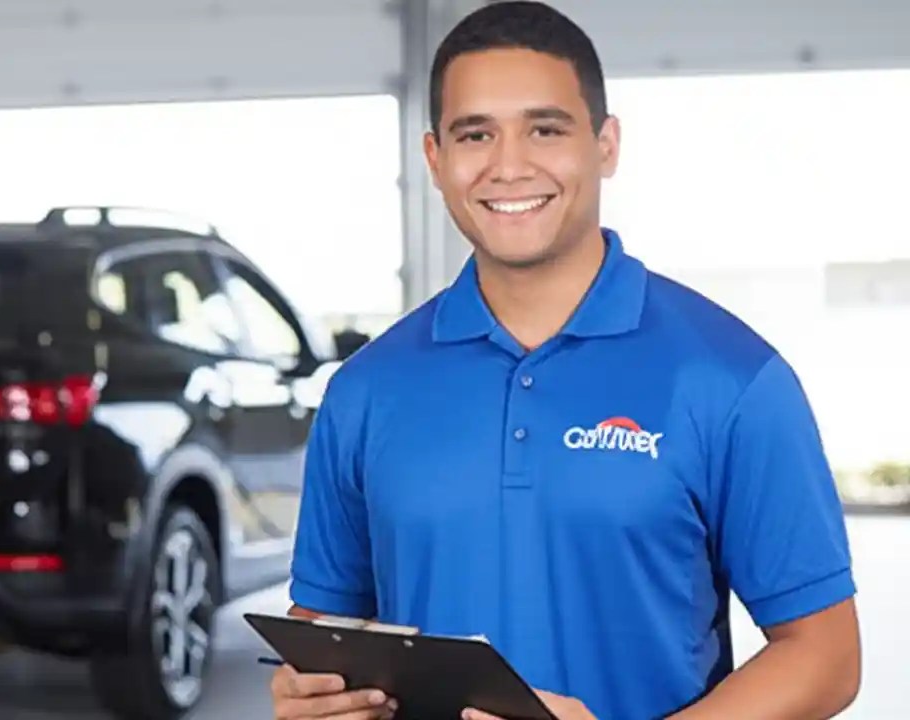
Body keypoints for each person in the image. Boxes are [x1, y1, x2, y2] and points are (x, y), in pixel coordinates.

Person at [268, 2, 862, 719]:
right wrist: (314, 693)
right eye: (475, 133)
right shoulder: (365, 391)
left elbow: (825, 655)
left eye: (545, 129)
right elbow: (326, 620)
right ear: (435, 158)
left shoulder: (732, 378)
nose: (509, 166)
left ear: (605, 144)